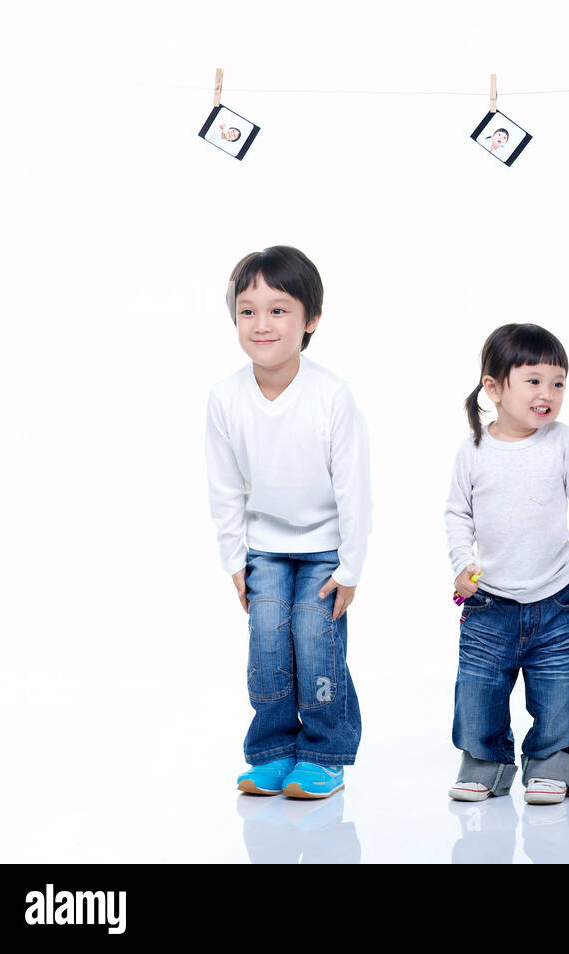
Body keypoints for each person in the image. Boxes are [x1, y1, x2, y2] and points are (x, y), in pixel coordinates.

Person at [206, 245, 371, 799]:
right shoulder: (226, 397)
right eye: (248, 310)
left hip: (325, 547)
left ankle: (325, 752)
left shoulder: (331, 395)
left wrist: (351, 567)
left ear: (311, 320)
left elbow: (353, 489)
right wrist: (235, 560)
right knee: (268, 646)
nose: (262, 323)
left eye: (279, 310)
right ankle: (273, 751)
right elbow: (225, 486)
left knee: (314, 639)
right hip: (264, 547)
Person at [445, 323, 569, 806]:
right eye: (533, 381)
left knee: (563, 684)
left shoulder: (561, 440)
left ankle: (555, 759)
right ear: (494, 388)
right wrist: (460, 565)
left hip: (558, 598)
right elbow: (457, 512)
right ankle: (485, 761)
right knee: (479, 688)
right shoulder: (473, 451)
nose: (548, 394)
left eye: (558, 383)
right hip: (490, 600)